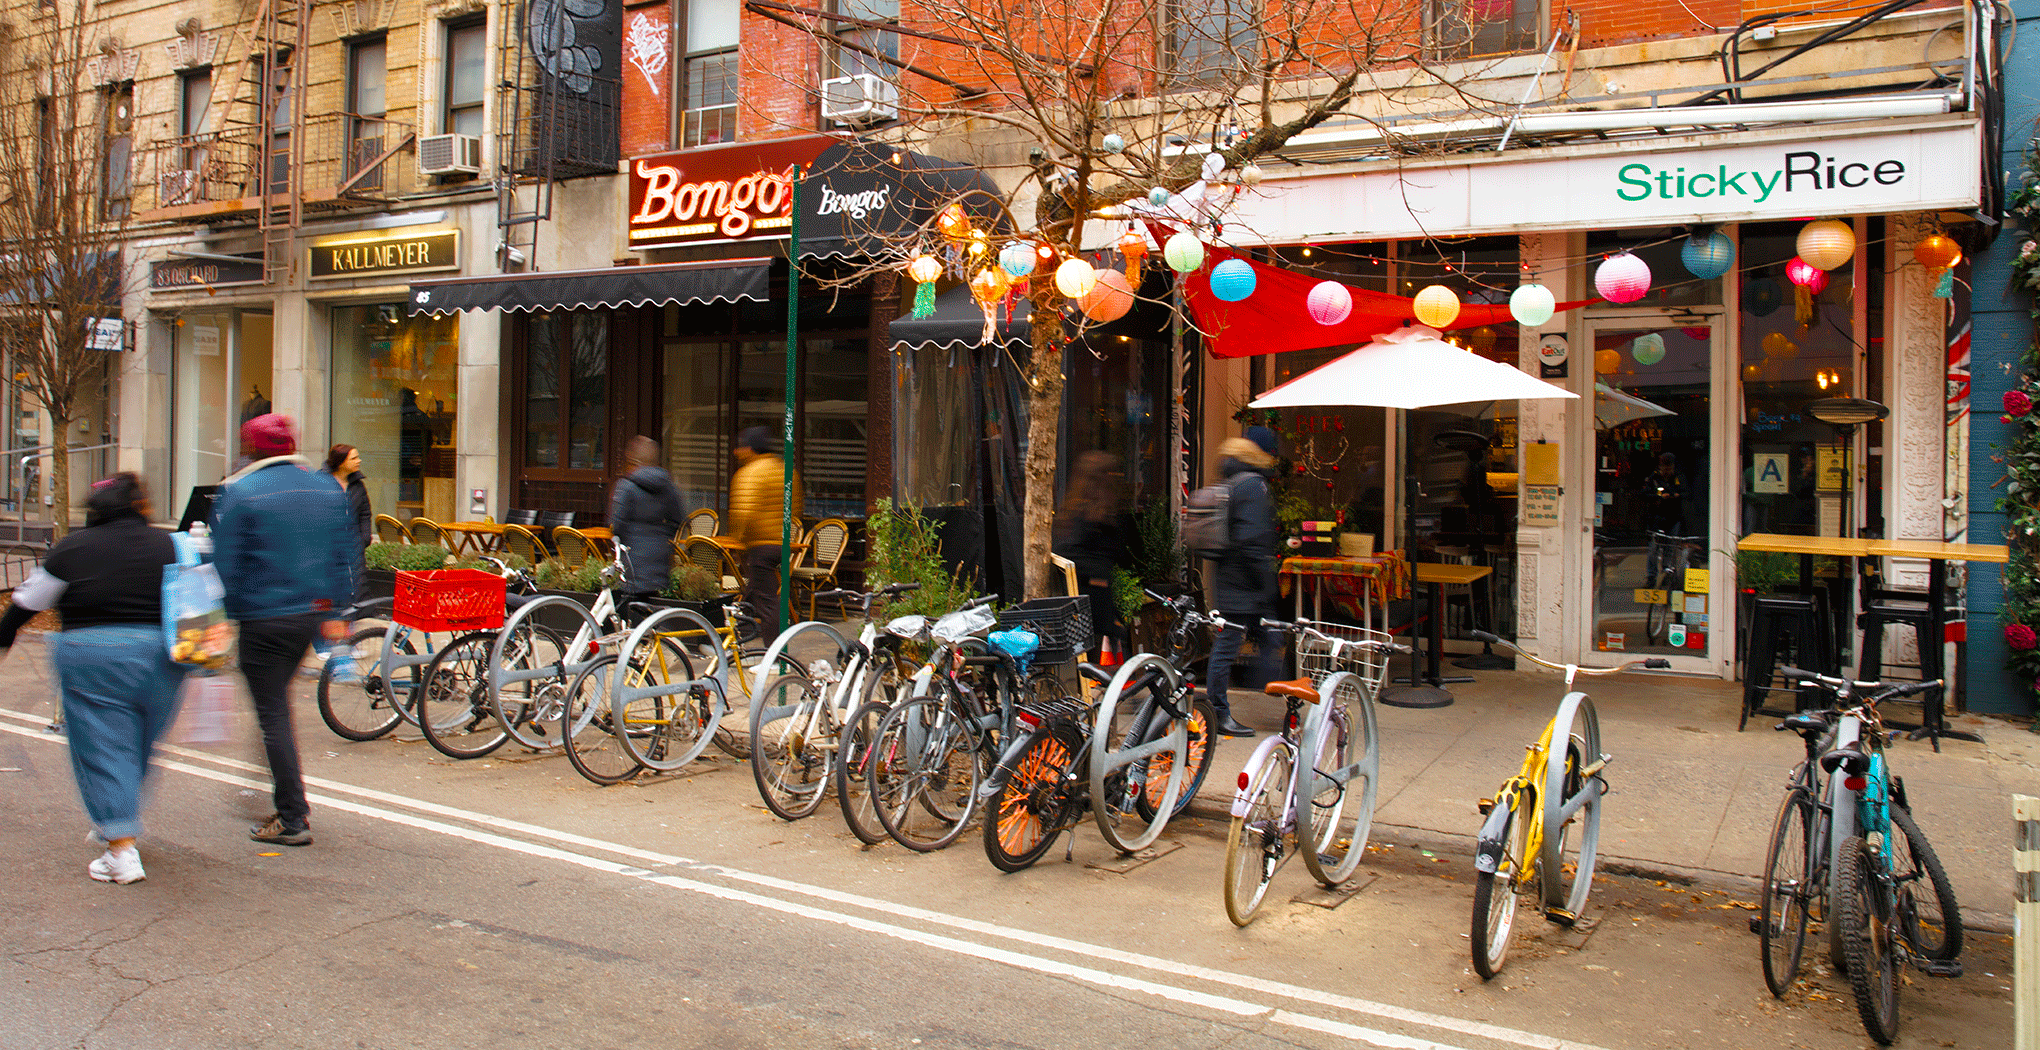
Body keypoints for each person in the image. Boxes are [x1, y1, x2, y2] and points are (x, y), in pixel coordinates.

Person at [0, 474, 190, 883]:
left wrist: (4, 638)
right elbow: (199, 597)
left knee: (104, 745)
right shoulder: (171, 544)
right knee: (138, 741)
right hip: (164, 657)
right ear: (140, 506)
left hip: (93, 656)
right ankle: (115, 816)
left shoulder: (72, 548)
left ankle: (120, 851)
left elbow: (27, 602)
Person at [213, 414, 357, 847]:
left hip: (263, 618)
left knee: (273, 714)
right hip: (311, 615)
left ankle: (292, 814)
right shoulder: (327, 489)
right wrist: (339, 612)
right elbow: (343, 553)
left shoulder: (239, 492)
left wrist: (219, 620)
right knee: (277, 709)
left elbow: (225, 566)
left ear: (252, 449)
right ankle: (281, 789)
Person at [1203, 425, 1282, 738]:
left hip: (1230, 579)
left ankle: (1284, 700)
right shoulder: (1253, 485)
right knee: (1230, 647)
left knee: (1268, 638)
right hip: (1245, 584)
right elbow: (1251, 539)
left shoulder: (1230, 481)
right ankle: (1218, 713)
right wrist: (1265, 584)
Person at [727, 426, 802, 640]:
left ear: (749, 449)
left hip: (761, 547)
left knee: (767, 602)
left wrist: (737, 542)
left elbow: (743, 512)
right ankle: (738, 638)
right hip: (783, 544)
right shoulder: (785, 470)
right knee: (752, 594)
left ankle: (774, 653)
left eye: (740, 446)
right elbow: (795, 507)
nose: (736, 452)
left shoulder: (749, 473)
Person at [1053, 450, 1127, 662]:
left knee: (1089, 646)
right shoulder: (1095, 511)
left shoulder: (1075, 506)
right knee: (1099, 642)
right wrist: (1097, 577)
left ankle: (1094, 688)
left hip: (1088, 589)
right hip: (1093, 591)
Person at [608, 435, 685, 605]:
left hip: (631, 557)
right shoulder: (668, 486)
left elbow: (616, 524)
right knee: (650, 608)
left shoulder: (626, 486)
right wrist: (663, 537)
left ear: (633, 460)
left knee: (628, 609)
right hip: (659, 557)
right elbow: (678, 518)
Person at [324, 444, 372, 550]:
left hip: (354, 549)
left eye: (358, 457)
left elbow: (365, 514)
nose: (359, 461)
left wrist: (365, 538)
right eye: (353, 458)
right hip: (327, 550)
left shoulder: (358, 485)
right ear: (340, 462)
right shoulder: (320, 483)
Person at [1646, 451, 1686, 534]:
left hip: (1674, 516)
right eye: (1665, 468)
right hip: (1657, 516)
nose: (1667, 471)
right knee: (1656, 541)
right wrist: (1659, 496)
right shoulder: (1654, 478)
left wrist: (1677, 495)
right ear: (1660, 466)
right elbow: (1645, 494)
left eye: (1669, 468)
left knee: (1672, 541)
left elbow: (1687, 493)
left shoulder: (1678, 477)